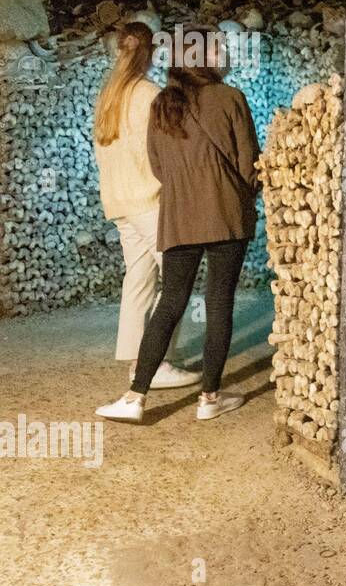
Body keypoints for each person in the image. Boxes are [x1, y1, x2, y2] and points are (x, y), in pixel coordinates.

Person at [96, 27, 260, 423]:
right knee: (219, 304)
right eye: (219, 50)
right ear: (206, 57)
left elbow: (157, 165)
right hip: (226, 217)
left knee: (169, 302)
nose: (223, 56)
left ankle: (135, 396)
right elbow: (248, 163)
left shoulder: (162, 104)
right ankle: (209, 399)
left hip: (178, 218)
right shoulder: (230, 98)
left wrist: (185, 191)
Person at [92, 22, 202, 391]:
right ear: (151, 52)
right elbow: (169, 147)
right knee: (174, 285)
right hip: (150, 201)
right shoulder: (149, 94)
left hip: (119, 202)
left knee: (138, 282)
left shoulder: (108, 95)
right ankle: (160, 362)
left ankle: (139, 364)